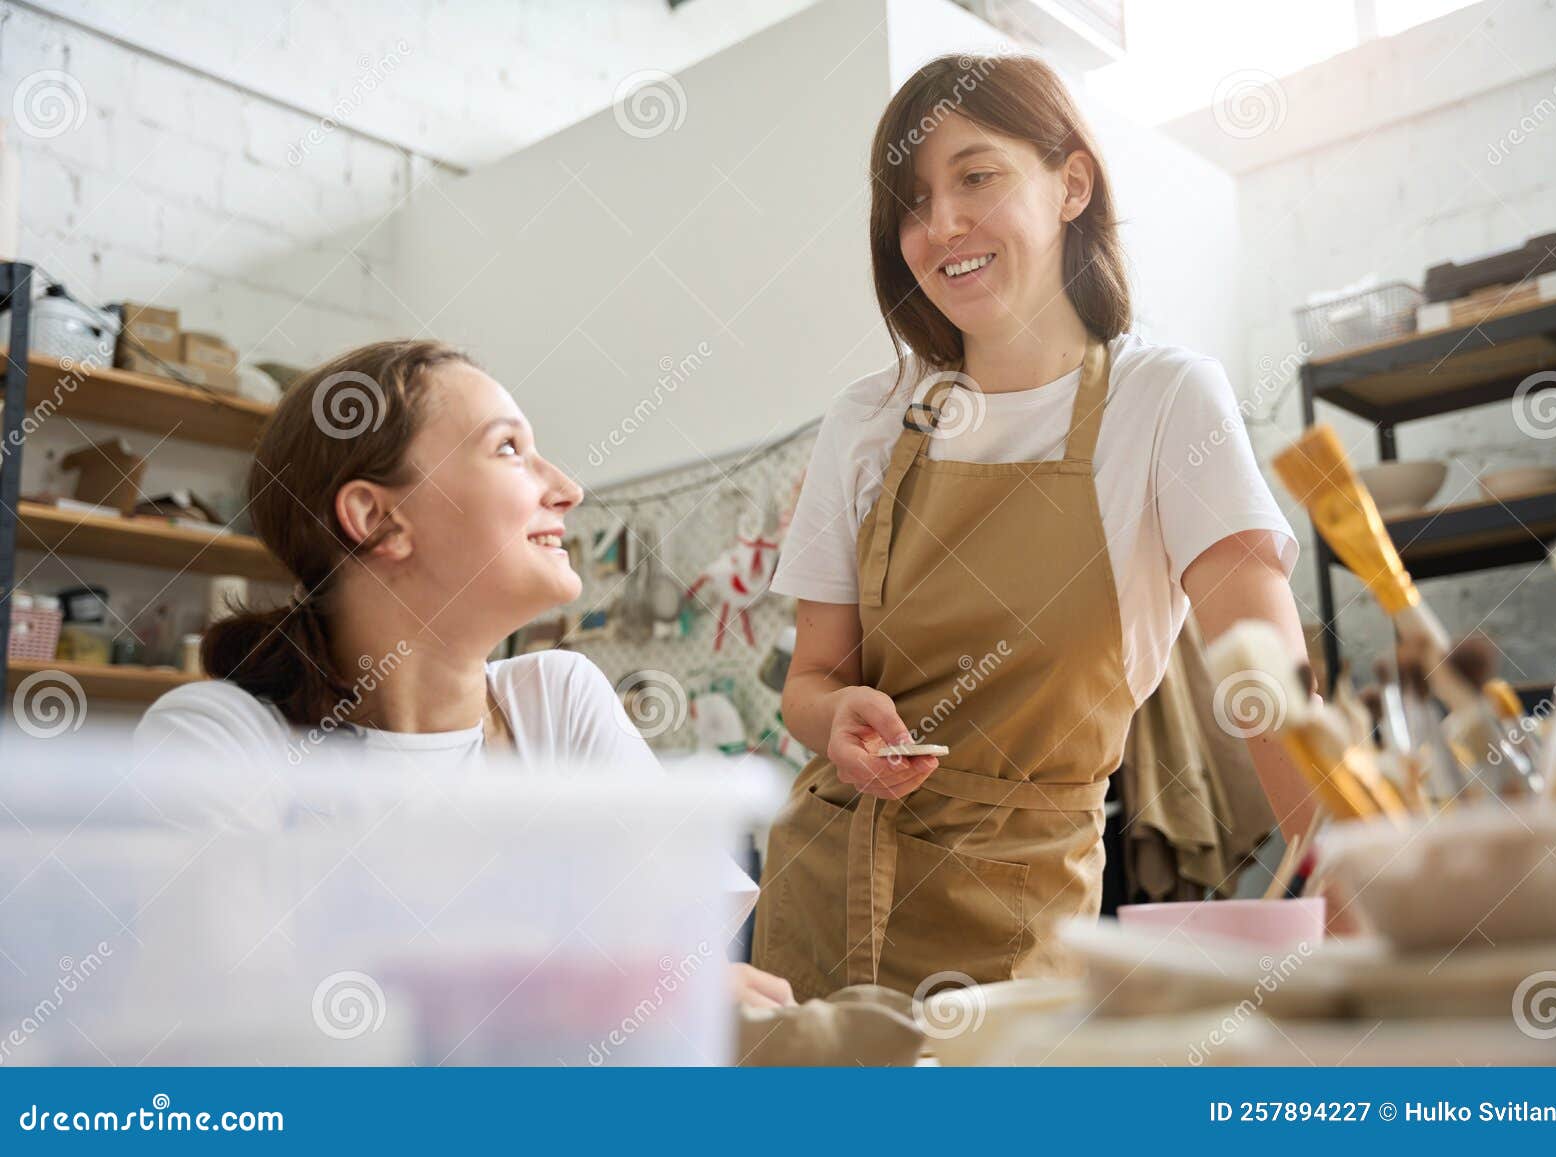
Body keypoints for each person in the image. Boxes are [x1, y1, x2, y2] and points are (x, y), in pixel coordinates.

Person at [750, 55, 1310, 1001]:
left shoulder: (1163, 399)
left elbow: (1271, 693)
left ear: (1072, 184)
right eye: (912, 202)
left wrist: (1360, 882)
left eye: (976, 176)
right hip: (820, 894)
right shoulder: (869, 418)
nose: (939, 227)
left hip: (1020, 919)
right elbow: (812, 681)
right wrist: (832, 720)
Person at [135, 339, 792, 1009]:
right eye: (508, 448)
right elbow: (231, 1023)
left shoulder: (558, 700)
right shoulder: (217, 737)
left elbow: (683, 958)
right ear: (377, 518)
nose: (567, 489)